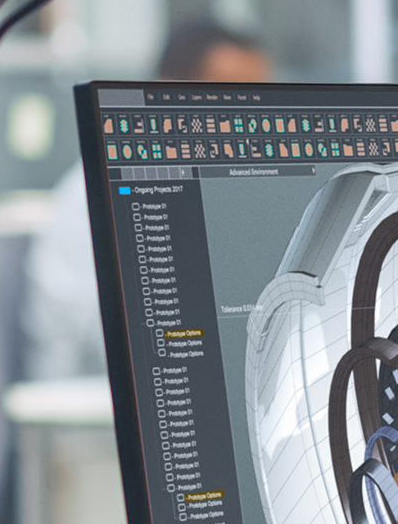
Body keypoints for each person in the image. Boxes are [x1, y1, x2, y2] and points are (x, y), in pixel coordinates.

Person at [24, 22, 271, 379]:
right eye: (232, 96)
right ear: (166, 93)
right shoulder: (96, 192)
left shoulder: (232, 192)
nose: (250, 121)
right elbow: (118, 341)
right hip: (97, 410)